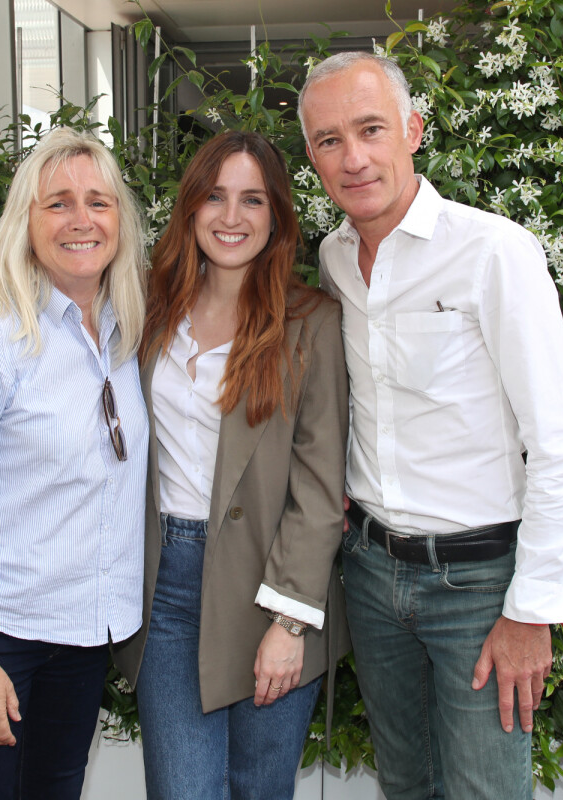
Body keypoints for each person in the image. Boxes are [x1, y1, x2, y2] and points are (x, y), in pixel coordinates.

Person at [297, 52, 563, 800]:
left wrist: (532, 609)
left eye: (370, 129)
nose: (354, 157)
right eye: (330, 140)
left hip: (480, 585)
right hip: (371, 571)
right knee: (407, 785)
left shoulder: (493, 252)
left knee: (486, 791)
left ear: (413, 130)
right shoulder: (332, 259)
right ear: (311, 156)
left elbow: (558, 443)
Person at [0, 127, 149, 800]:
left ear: (120, 221)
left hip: (80, 635)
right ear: (26, 223)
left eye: (98, 202)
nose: (81, 220)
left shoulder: (128, 334)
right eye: (58, 203)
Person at [113, 130, 349, 800]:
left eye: (251, 200)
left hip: (268, 585)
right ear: (190, 206)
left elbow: (320, 485)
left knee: (258, 790)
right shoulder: (146, 307)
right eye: (214, 196)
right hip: (167, 588)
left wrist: (290, 621)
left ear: (276, 216)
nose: (231, 216)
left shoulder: (310, 322)